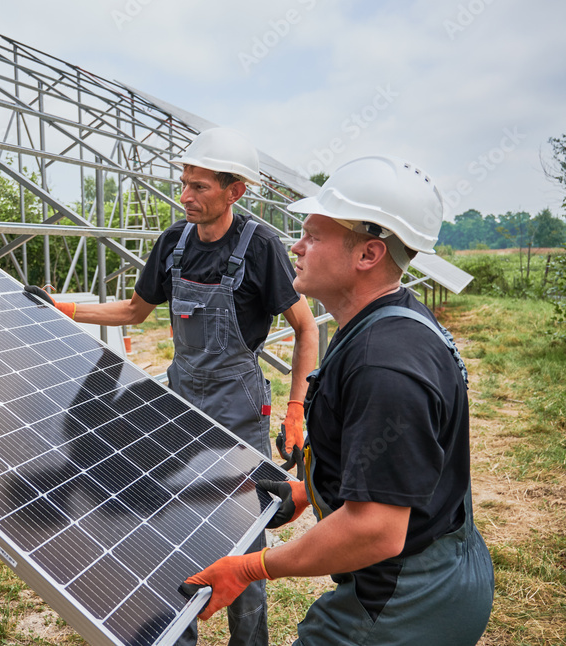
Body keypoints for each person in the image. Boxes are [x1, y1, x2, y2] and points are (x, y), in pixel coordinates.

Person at [181, 155, 495, 645]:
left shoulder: (384, 364)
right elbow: (395, 465)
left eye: (313, 236)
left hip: (404, 601)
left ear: (367, 254)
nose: (296, 246)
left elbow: (375, 530)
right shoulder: (385, 321)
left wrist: (250, 567)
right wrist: (309, 491)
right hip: (440, 566)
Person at [29, 127, 318, 646]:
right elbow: (134, 312)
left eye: (201, 187)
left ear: (235, 191)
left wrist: (296, 410)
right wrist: (65, 309)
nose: (185, 195)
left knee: (240, 533)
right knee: (171, 525)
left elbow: (306, 327)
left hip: (237, 405)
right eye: (184, 183)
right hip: (178, 401)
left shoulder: (260, 247)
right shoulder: (173, 244)